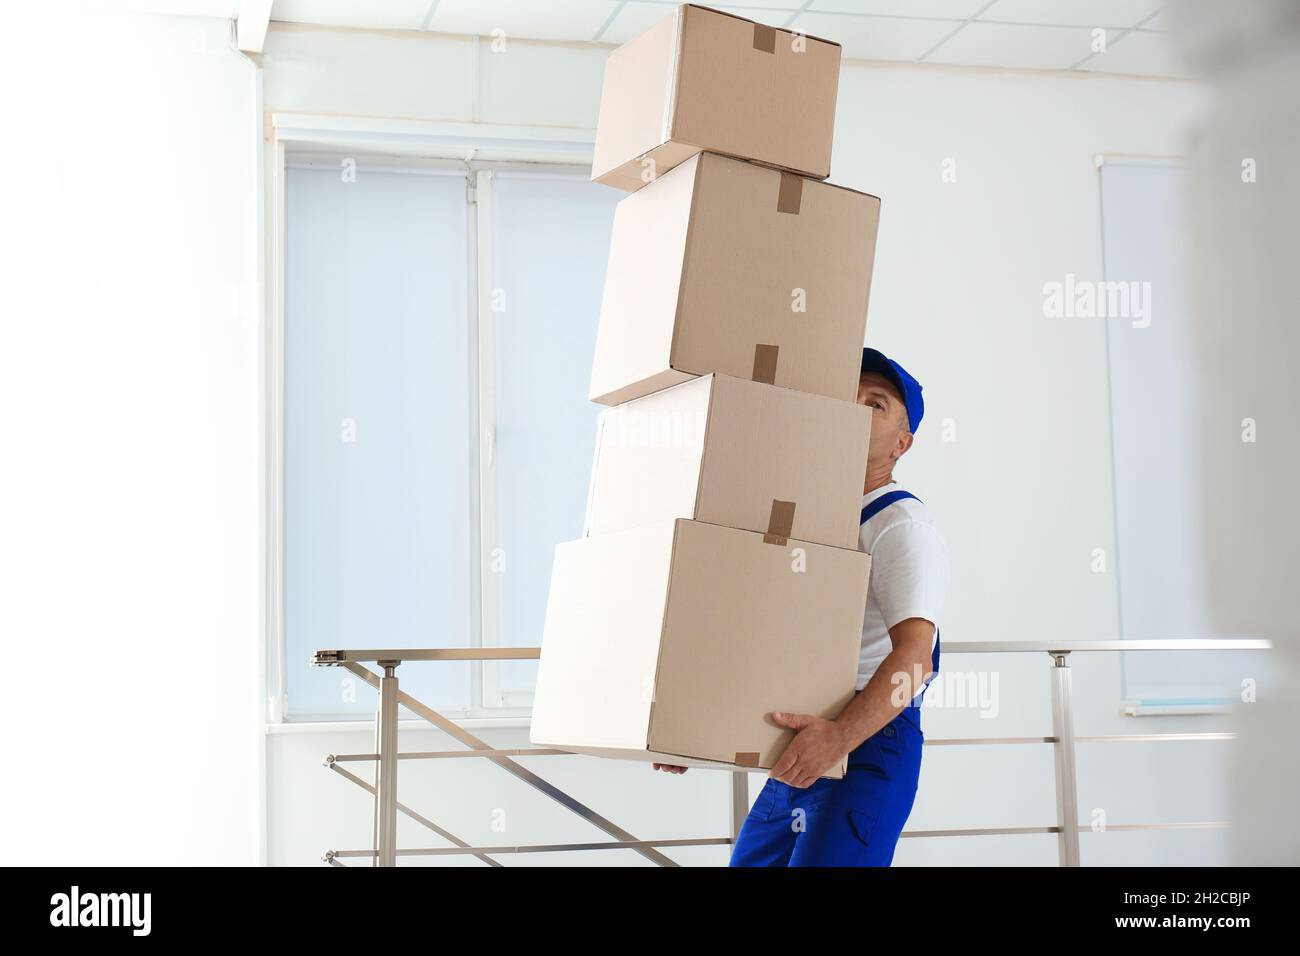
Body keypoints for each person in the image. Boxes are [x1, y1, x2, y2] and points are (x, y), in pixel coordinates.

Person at [653, 347, 951, 867]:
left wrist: (840, 737)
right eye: (848, 396)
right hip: (808, 736)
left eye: (875, 404)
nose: (854, 407)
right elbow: (770, 638)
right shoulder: (813, 519)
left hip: (867, 742)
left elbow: (916, 660)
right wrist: (697, 733)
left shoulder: (900, 527)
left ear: (902, 444)